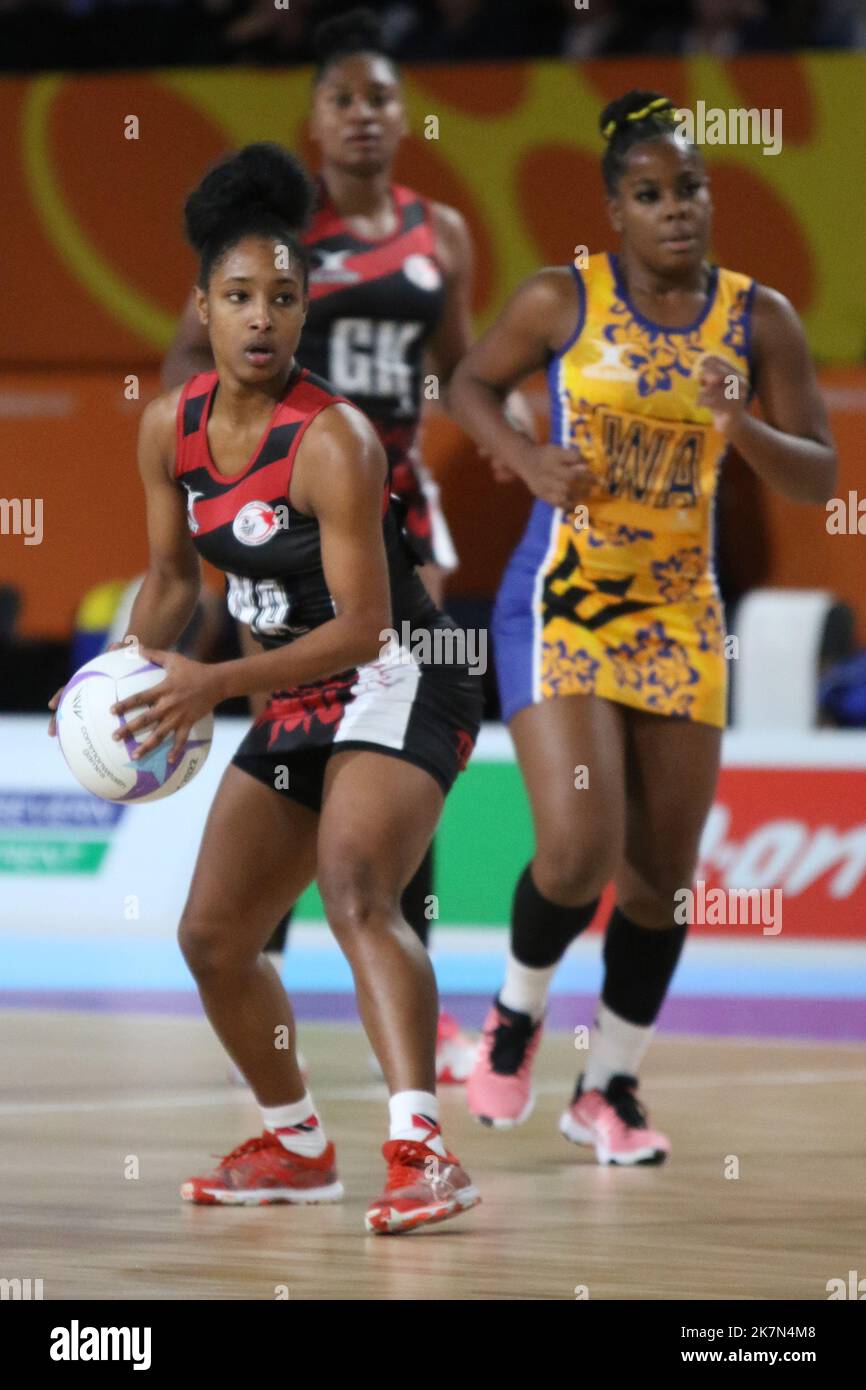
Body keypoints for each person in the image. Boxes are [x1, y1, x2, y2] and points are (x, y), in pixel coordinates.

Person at [54, 141, 483, 1232]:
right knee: (210, 935)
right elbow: (164, 580)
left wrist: (212, 681)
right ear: (201, 306)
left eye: (282, 298)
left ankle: (421, 1148)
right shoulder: (171, 429)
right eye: (239, 295)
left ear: (305, 313)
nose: (260, 317)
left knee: (354, 889)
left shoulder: (332, 440)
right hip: (292, 692)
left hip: (401, 674)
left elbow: (364, 623)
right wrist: (114, 686)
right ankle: (296, 1144)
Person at [449, 90, 837, 1162]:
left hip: (678, 616)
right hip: (563, 600)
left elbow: (818, 477)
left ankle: (607, 1087)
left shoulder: (759, 321)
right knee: (575, 854)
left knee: (660, 881)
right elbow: (468, 381)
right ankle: (516, 1015)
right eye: (648, 193)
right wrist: (525, 459)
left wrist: (736, 423)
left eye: (691, 189)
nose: (676, 208)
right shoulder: (556, 301)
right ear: (612, 211)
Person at [162, 7, 515, 1083]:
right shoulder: (274, 243)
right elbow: (190, 357)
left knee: (398, 743)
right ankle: (259, 968)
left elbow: (459, 371)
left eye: (380, 98)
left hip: (403, 511)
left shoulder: (438, 232)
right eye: (343, 97)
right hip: (278, 515)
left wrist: (509, 434)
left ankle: (415, 996)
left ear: (404, 118)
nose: (363, 115)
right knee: (288, 734)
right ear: (312, 118)